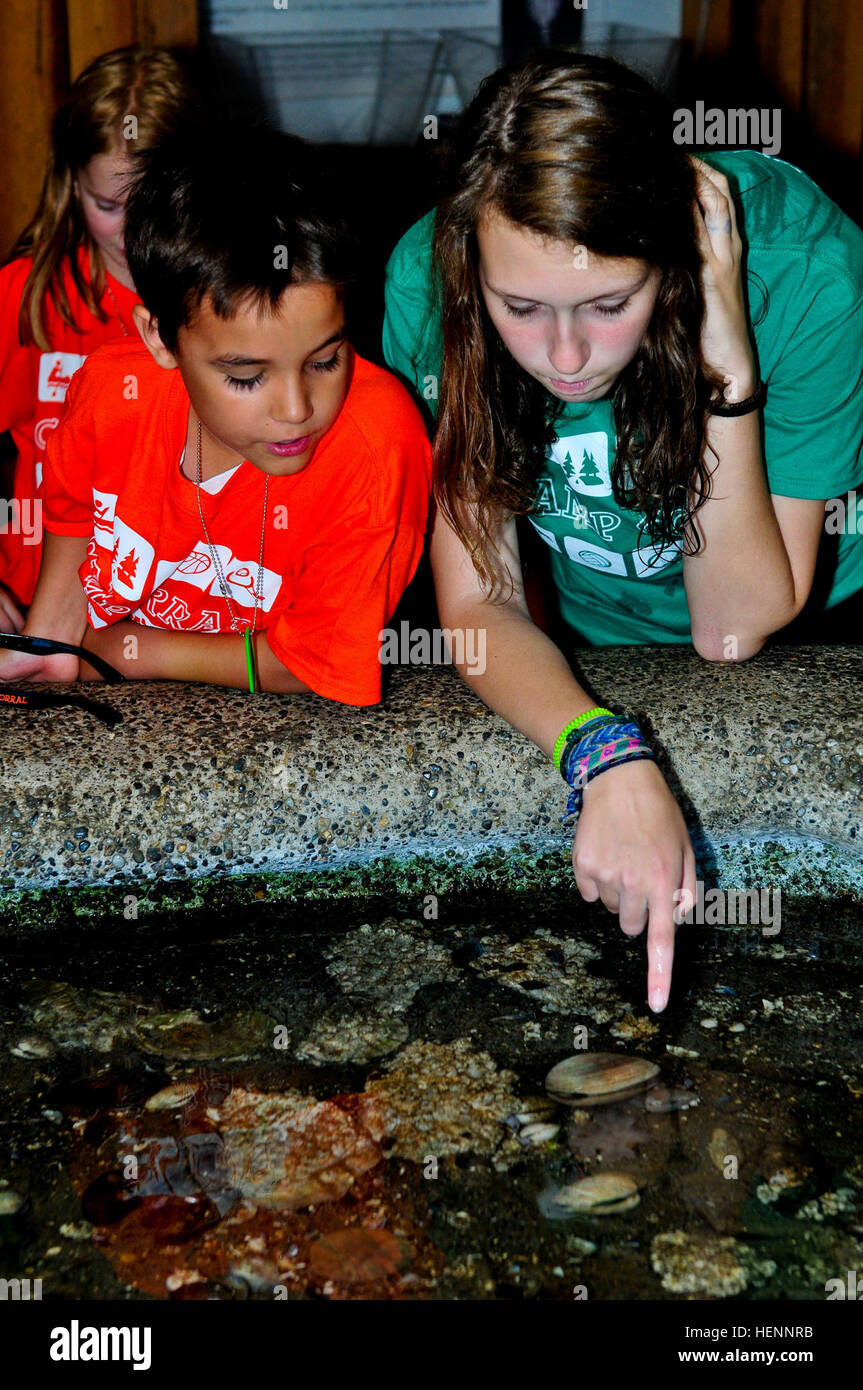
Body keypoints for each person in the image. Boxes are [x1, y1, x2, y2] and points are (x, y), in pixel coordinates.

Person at [383, 51, 863, 1011]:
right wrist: (600, 752)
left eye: (610, 305)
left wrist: (726, 364)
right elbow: (478, 601)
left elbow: (732, 629)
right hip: (585, 621)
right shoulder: (424, 280)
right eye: (519, 308)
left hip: (802, 622)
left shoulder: (804, 273)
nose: (564, 357)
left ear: (674, 258)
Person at [0, 120, 431, 704]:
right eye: (246, 377)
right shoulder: (108, 392)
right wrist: (48, 641)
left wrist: (139, 649)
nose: (297, 409)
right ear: (159, 339)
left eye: (326, 361)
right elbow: (74, 516)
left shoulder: (378, 445)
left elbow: (316, 662)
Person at [0, 45, 199, 625]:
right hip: (41, 608)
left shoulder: (228, 303)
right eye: (109, 204)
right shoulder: (26, 296)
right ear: (71, 184)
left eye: (155, 204)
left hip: (184, 617)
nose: (133, 232)